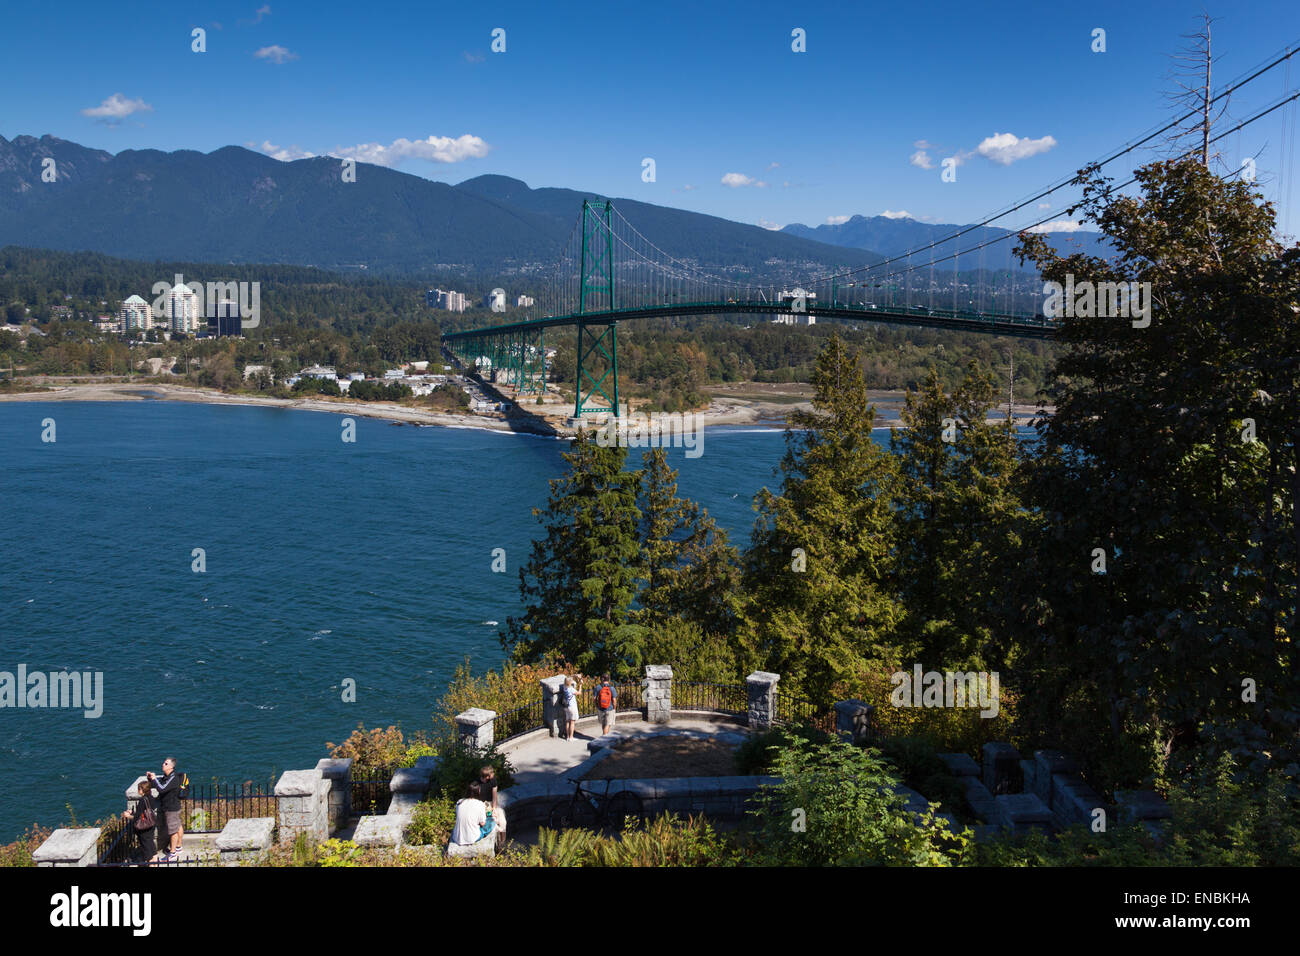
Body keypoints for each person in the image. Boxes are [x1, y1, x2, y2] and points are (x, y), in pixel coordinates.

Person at [147, 757, 183, 862]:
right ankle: (179, 847)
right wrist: (151, 779)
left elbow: (162, 789)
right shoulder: (167, 777)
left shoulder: (173, 778)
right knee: (178, 826)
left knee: (173, 831)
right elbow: (159, 784)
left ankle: (173, 853)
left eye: (166, 764)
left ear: (171, 767)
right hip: (174, 806)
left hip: (171, 808)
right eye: (164, 762)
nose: (163, 764)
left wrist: (154, 779)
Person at [121, 780, 158, 864]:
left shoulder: (142, 800)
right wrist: (133, 812)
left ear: (143, 790)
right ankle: (156, 862)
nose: (138, 790)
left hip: (144, 828)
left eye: (139, 789)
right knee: (151, 844)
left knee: (146, 847)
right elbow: (145, 812)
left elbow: (137, 817)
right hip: (151, 824)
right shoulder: (151, 798)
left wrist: (127, 815)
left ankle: (151, 864)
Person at [451, 781, 492, 847]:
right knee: (491, 821)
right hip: (472, 838)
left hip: (456, 837)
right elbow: (482, 823)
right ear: (478, 791)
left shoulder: (459, 802)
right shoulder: (480, 804)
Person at [479, 765, 507, 849]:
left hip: (492, 804)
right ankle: (495, 845)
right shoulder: (477, 785)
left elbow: (494, 796)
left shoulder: (493, 781)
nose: (494, 774)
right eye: (492, 773)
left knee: (503, 822)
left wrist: (494, 809)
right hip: (482, 805)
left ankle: (502, 843)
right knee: (494, 822)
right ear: (487, 776)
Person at [562, 675, 582, 741]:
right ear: (570, 682)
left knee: (567, 722)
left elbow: (568, 678)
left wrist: (575, 675)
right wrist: (580, 685)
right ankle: (571, 737)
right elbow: (579, 693)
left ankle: (567, 737)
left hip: (566, 706)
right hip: (572, 706)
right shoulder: (571, 689)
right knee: (572, 722)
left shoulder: (564, 687)